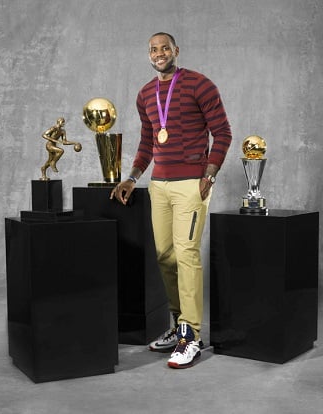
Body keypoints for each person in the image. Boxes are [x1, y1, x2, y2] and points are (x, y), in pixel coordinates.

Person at [110, 32, 232, 369]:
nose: (159, 53)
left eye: (165, 48)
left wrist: (209, 176)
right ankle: (179, 326)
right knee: (165, 256)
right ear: (148, 54)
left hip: (191, 184)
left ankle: (192, 335)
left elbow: (223, 133)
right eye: (153, 49)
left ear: (176, 50)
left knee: (186, 254)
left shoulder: (200, 85)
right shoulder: (145, 94)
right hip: (159, 186)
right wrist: (132, 177)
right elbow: (148, 141)